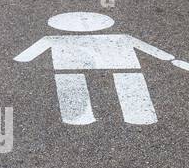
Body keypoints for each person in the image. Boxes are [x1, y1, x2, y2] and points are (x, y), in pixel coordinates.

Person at [13, 12, 174, 125]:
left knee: (73, 90)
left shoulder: (54, 39)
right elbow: (154, 51)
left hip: (69, 70)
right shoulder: (122, 38)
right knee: (132, 88)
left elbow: (26, 56)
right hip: (125, 67)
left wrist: (21, 59)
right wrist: (170, 58)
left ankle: (79, 118)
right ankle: (139, 116)